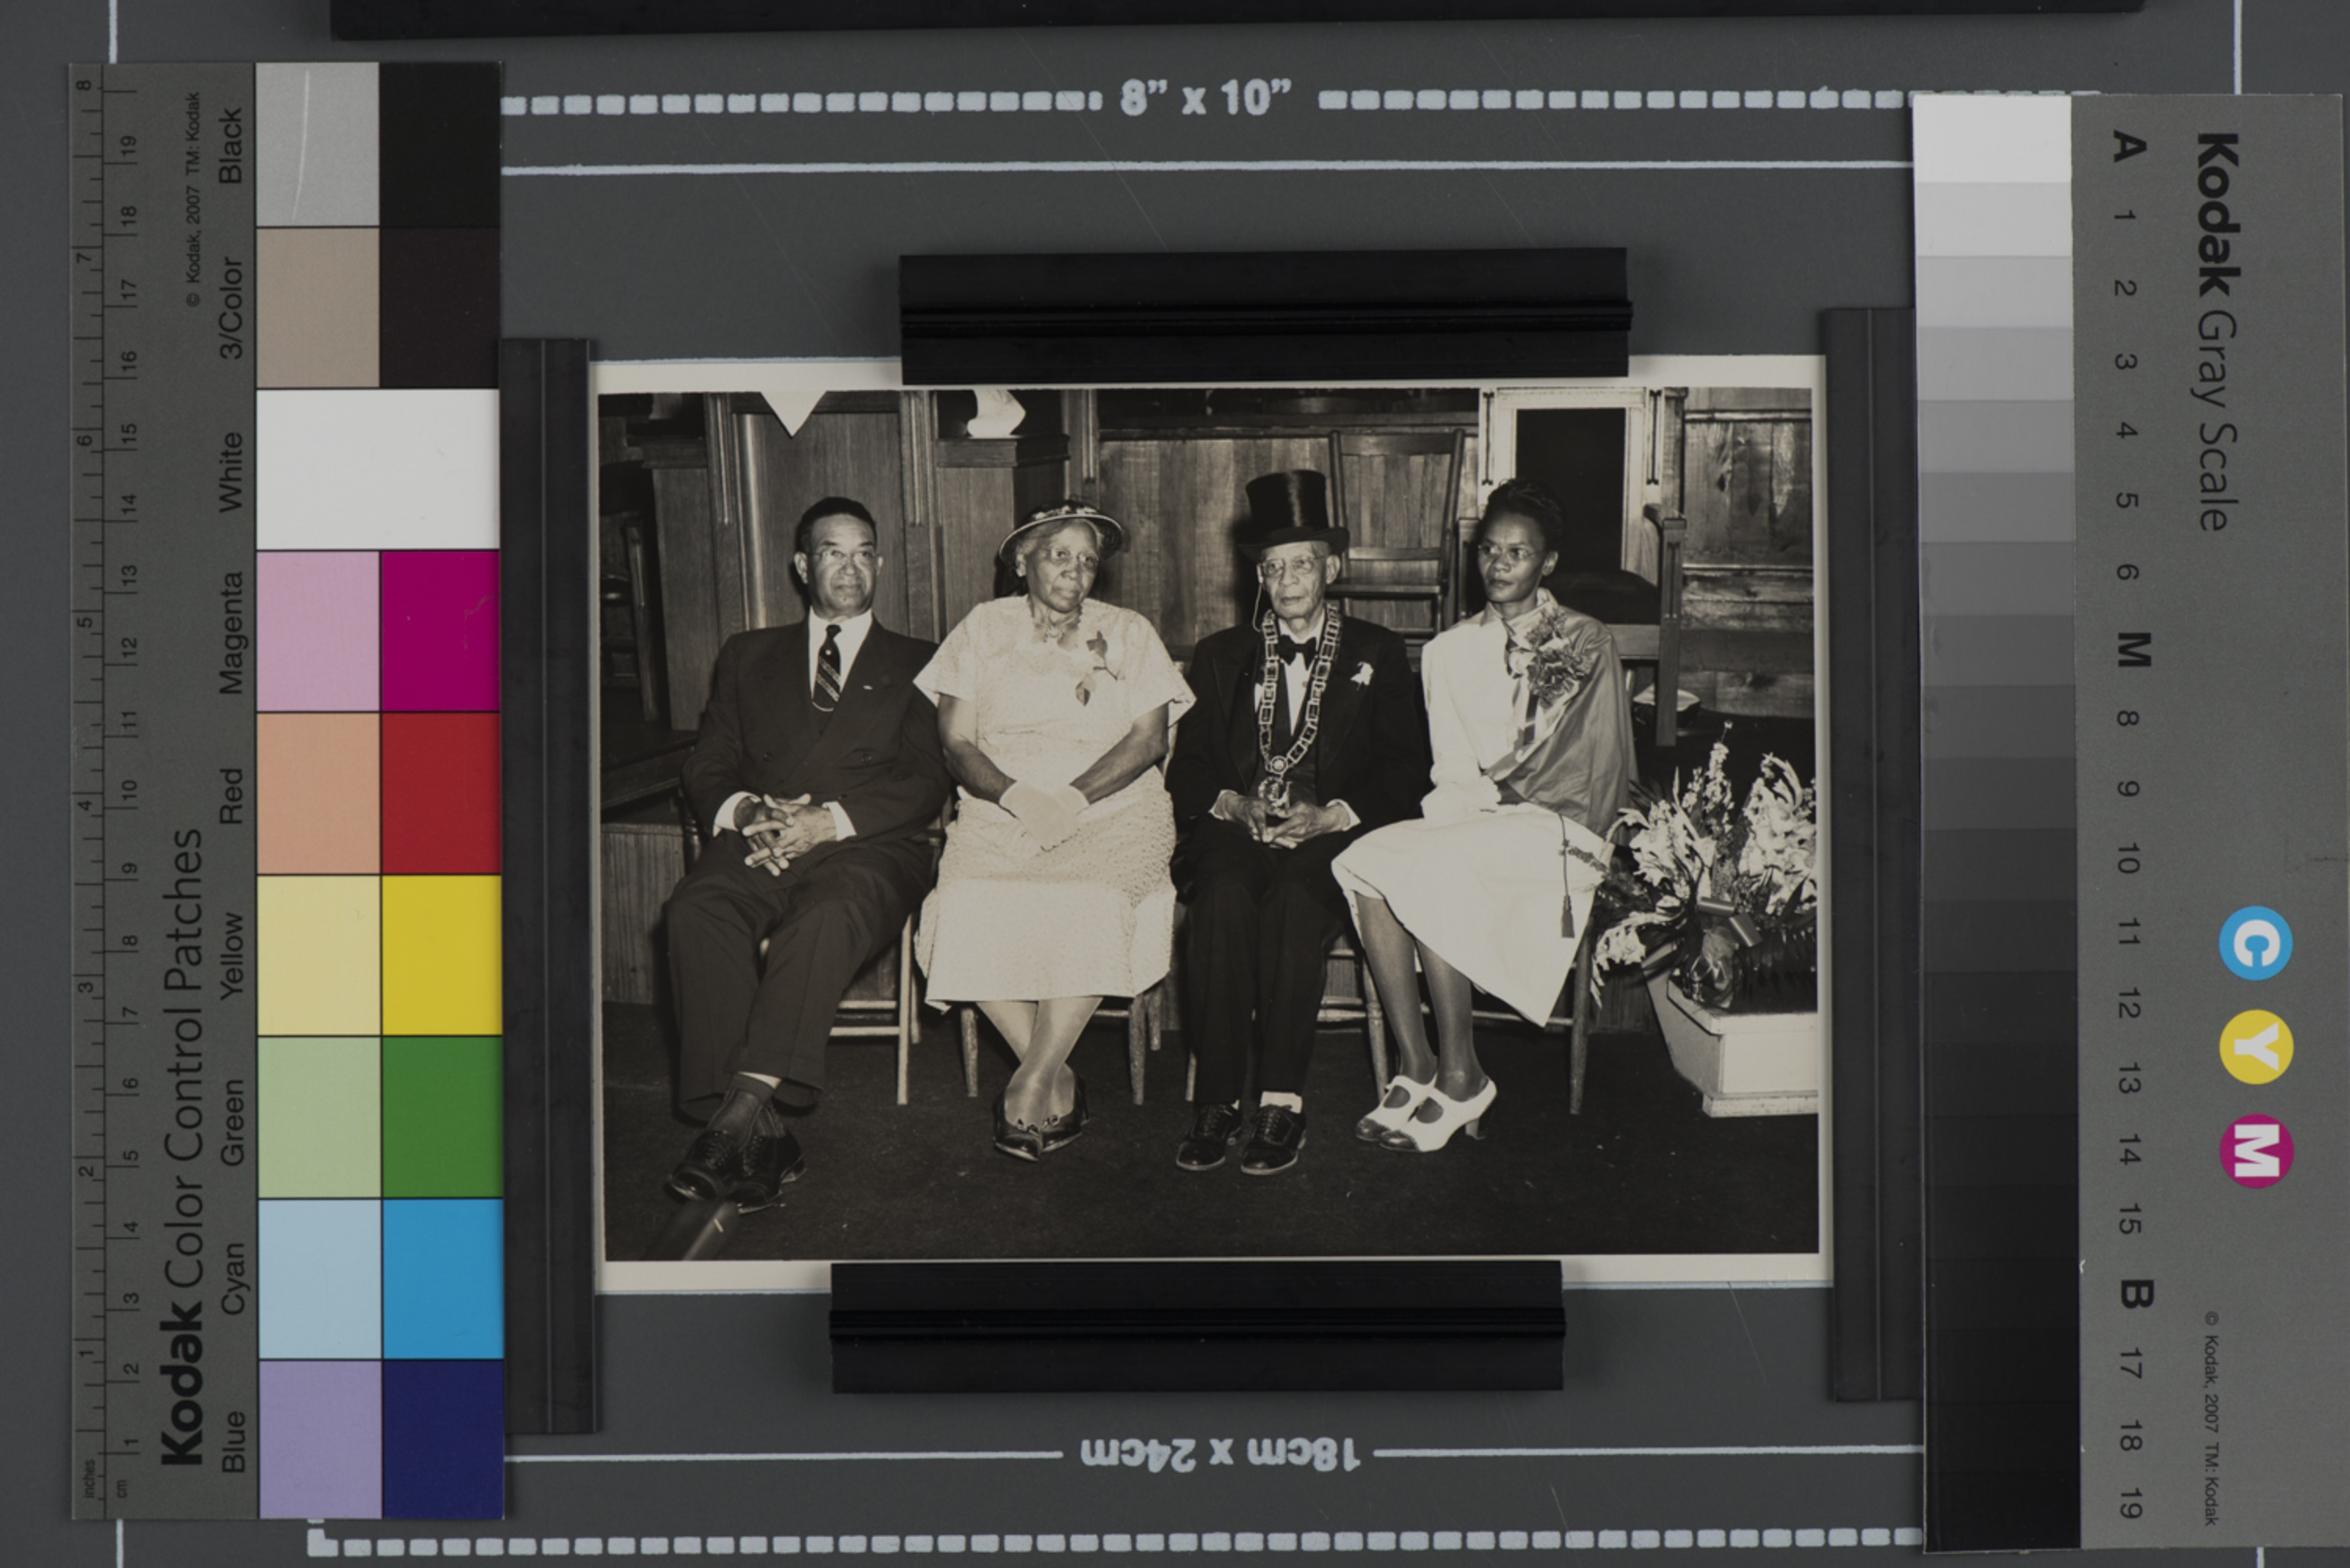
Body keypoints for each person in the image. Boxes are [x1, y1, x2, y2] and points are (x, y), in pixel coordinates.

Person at [663, 498, 951, 1209]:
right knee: (696, 909)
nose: (850, 568)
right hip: (764, 837)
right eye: (832, 552)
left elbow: (926, 779)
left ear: (879, 563)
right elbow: (708, 763)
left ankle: (732, 1120)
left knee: (822, 919)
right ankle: (767, 1139)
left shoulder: (922, 661)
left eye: (864, 553)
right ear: (802, 565)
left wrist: (830, 821)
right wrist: (750, 811)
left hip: (869, 846)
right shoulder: (747, 654)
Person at [1331, 479, 1637, 1152]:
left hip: (1560, 825)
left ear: (1547, 563)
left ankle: (1464, 1074)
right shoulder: (1447, 651)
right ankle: (1416, 1065)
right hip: (1478, 816)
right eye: (1489, 550)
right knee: (1363, 859)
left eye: (1518, 553)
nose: (1499, 565)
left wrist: (1496, 809)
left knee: (1434, 871)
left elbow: (1599, 762)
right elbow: (1451, 770)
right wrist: (1456, 813)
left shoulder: (1586, 641)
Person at [1165, 470, 1431, 1175]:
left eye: (1302, 564)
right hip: (1242, 829)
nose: (1286, 581)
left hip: (1333, 834)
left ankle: (1281, 1103)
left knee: (1291, 902)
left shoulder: (1377, 651)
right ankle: (1217, 1102)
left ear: (1332, 568)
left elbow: (1408, 768)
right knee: (1219, 894)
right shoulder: (1220, 656)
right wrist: (1234, 803)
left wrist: (1333, 814)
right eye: (1272, 567)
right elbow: (1185, 770)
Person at [914, 501, 1196, 1160]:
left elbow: (1149, 740)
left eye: (1089, 560)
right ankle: (1058, 1072)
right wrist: (1017, 797)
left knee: (1093, 901)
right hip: (999, 807)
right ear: (1022, 560)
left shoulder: (1129, 631)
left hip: (1115, 807)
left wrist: (1070, 798)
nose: (1077, 570)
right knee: (959, 904)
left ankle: (1030, 1082)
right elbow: (956, 743)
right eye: (1060, 554)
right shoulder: (982, 628)